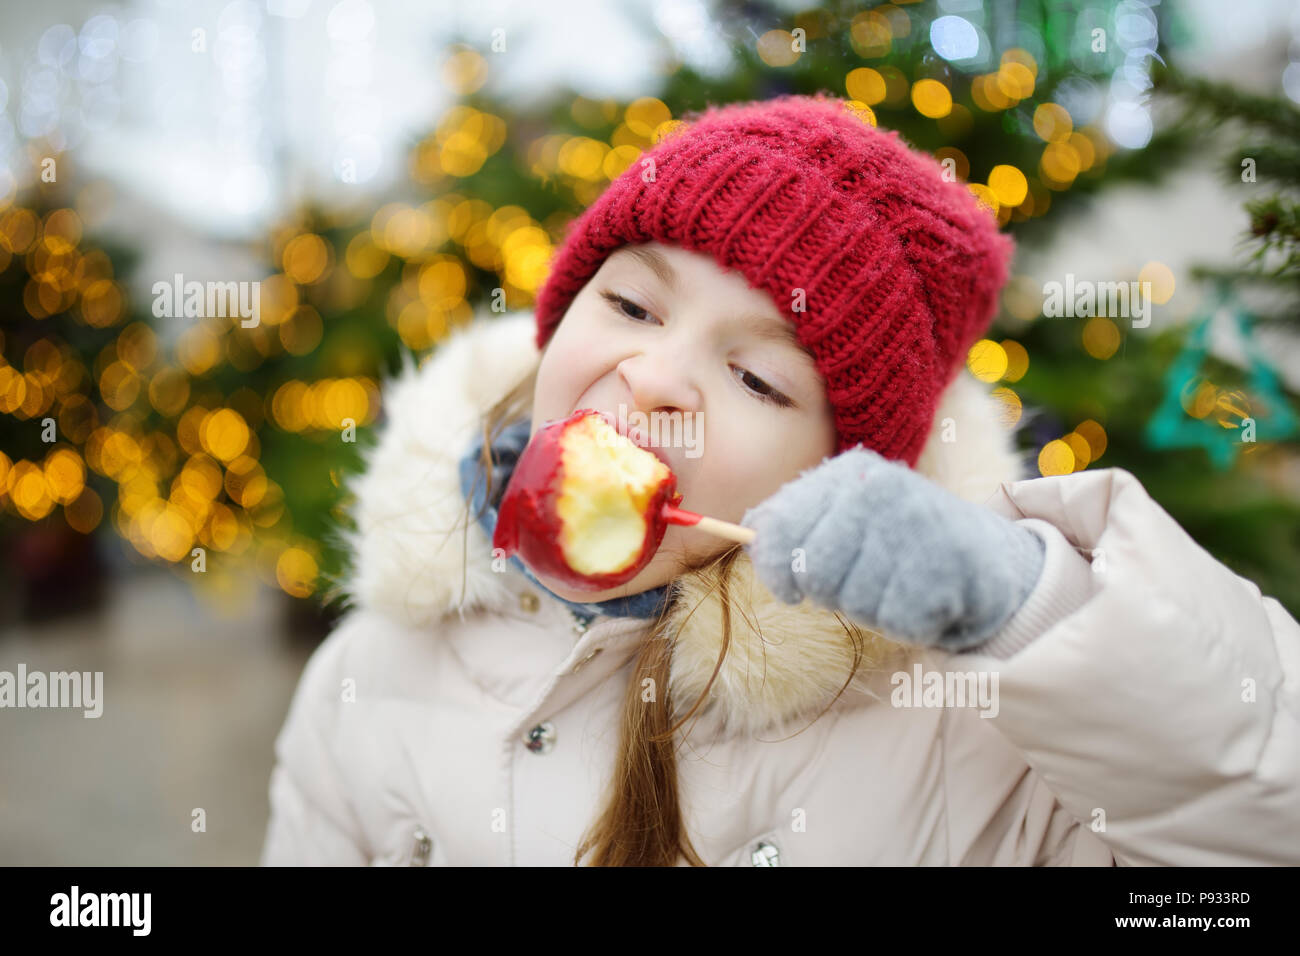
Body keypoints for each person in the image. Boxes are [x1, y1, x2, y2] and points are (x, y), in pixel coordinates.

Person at [260, 93, 1300, 866]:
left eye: (754, 374)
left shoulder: (962, 728)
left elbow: (1256, 831)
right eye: (629, 306)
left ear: (838, 465)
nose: (656, 374)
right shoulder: (372, 674)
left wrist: (1034, 609)